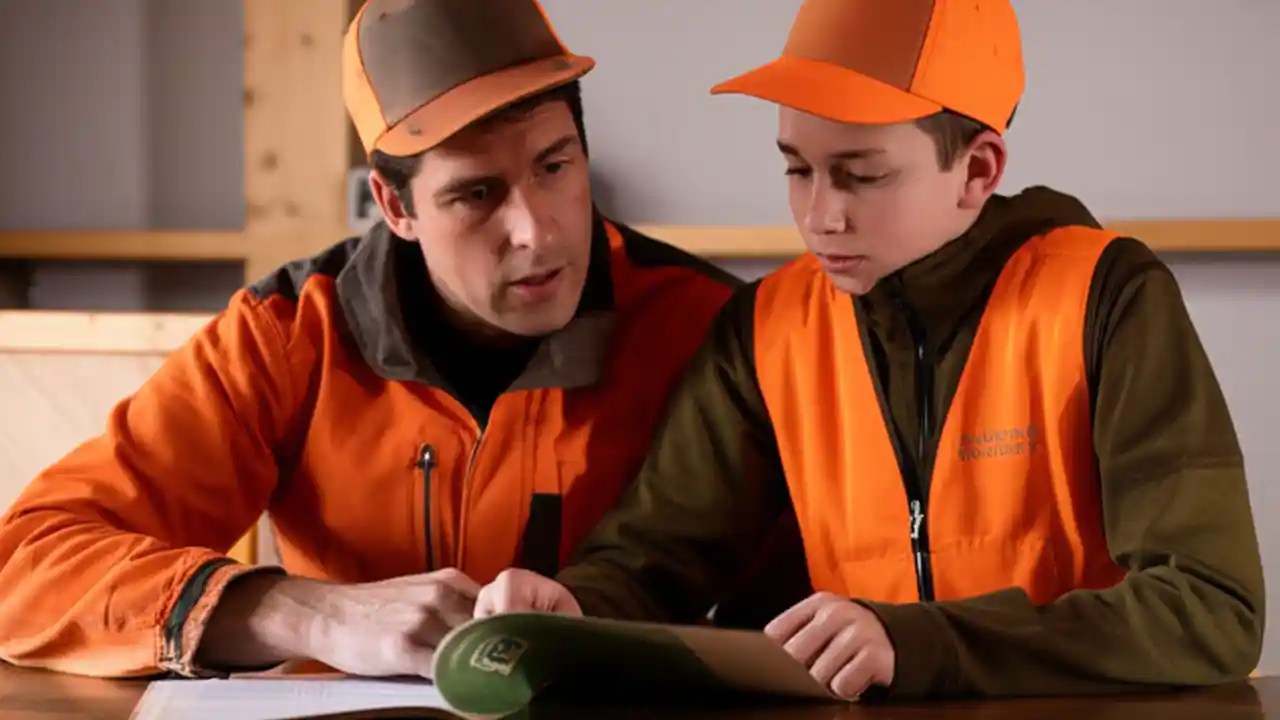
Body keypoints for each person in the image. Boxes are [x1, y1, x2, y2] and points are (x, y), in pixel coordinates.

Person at [476, 0, 1266, 703]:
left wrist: (918, 644)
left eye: (860, 177)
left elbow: (1209, 608)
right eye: (797, 169)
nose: (820, 215)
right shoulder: (765, 327)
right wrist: (574, 607)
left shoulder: (1106, 296)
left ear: (978, 169)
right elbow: (656, 561)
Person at [0, 0, 764, 680]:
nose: (536, 231)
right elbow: (24, 568)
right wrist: (307, 615)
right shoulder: (286, 337)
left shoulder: (711, 330)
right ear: (394, 206)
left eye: (554, 166)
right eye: (476, 194)